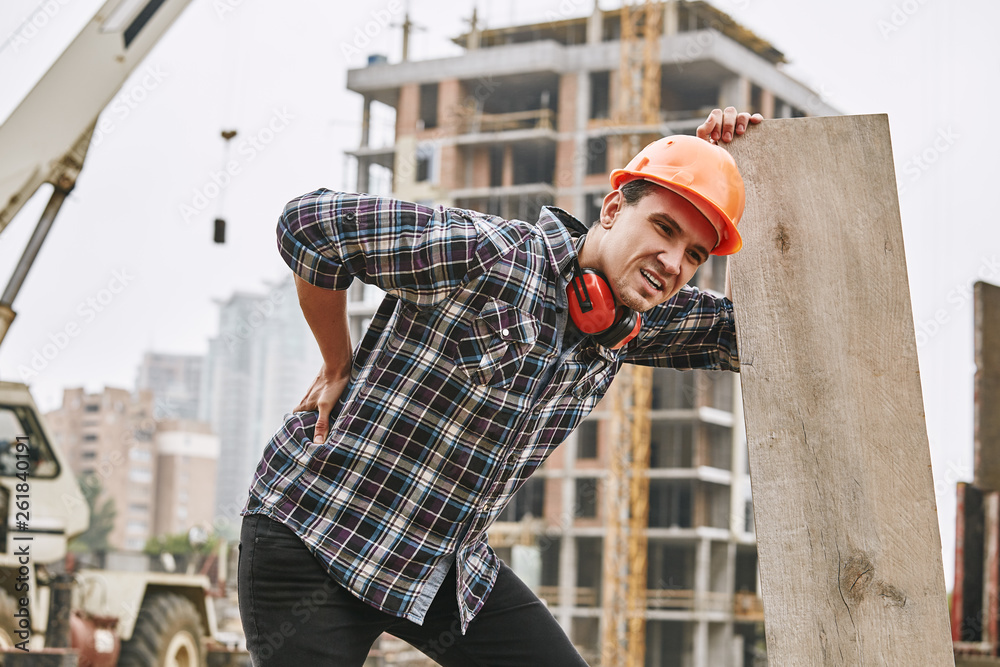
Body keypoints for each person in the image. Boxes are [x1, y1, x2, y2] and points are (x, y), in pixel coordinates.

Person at [238, 107, 763, 666]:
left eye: (695, 255)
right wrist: (336, 361)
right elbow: (311, 225)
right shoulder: (491, 254)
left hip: (441, 565)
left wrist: (738, 167)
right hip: (315, 535)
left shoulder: (632, 321)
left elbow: (750, 332)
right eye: (664, 228)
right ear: (612, 210)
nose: (673, 261)